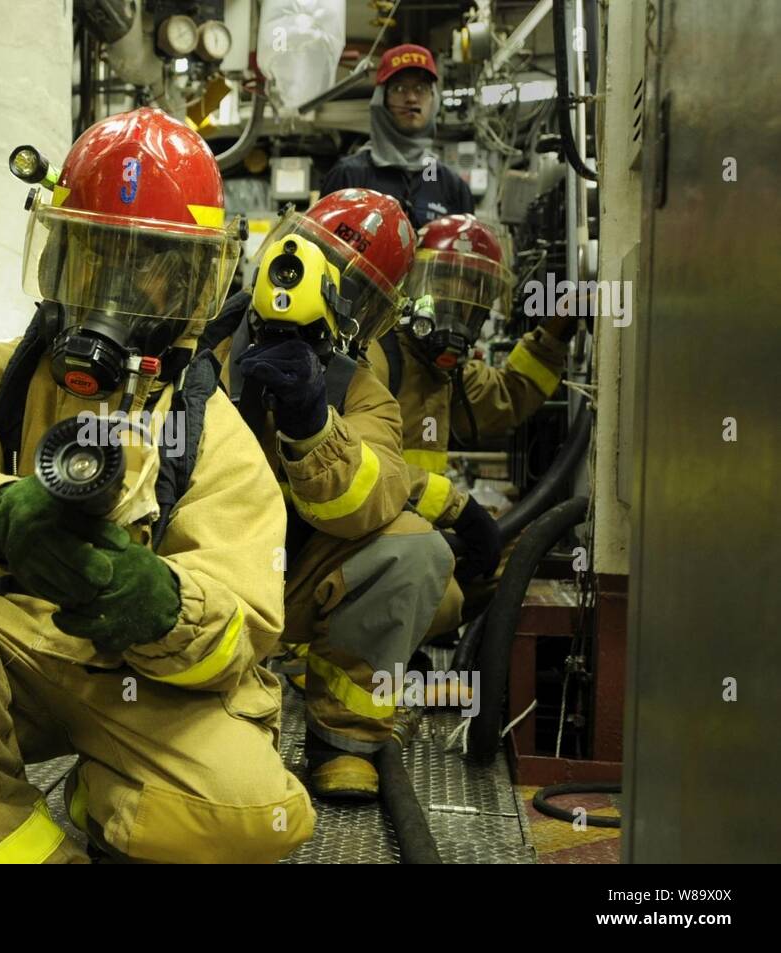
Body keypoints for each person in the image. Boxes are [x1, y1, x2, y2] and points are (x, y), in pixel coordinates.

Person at [0, 107, 315, 864]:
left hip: (141, 686)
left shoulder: (212, 431)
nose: (118, 287)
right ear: (57, 258)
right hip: (6, 655)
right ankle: (17, 849)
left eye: (148, 263)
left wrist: (161, 604)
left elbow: (240, 633)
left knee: (259, 815)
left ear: (187, 283)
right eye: (96, 255)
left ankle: (104, 790)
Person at [205, 188, 459, 800]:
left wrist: (310, 421)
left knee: (418, 553)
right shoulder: (199, 345)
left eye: (350, 290)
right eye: (309, 263)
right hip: (200, 569)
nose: (313, 291)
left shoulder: (361, 390)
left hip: (291, 579)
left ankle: (342, 739)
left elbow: (365, 507)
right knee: (223, 781)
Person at [376, 213, 578, 585]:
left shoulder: (442, 373)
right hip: (370, 540)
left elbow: (506, 394)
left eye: (472, 290)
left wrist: (557, 332)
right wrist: (460, 511)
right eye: (444, 284)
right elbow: (361, 470)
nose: (457, 306)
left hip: (407, 535)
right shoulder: (380, 357)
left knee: (516, 557)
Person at [321, 44, 474, 229]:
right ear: (381, 99)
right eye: (399, 89)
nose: (411, 98)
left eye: (421, 88)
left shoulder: (449, 185)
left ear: (434, 99)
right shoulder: (349, 176)